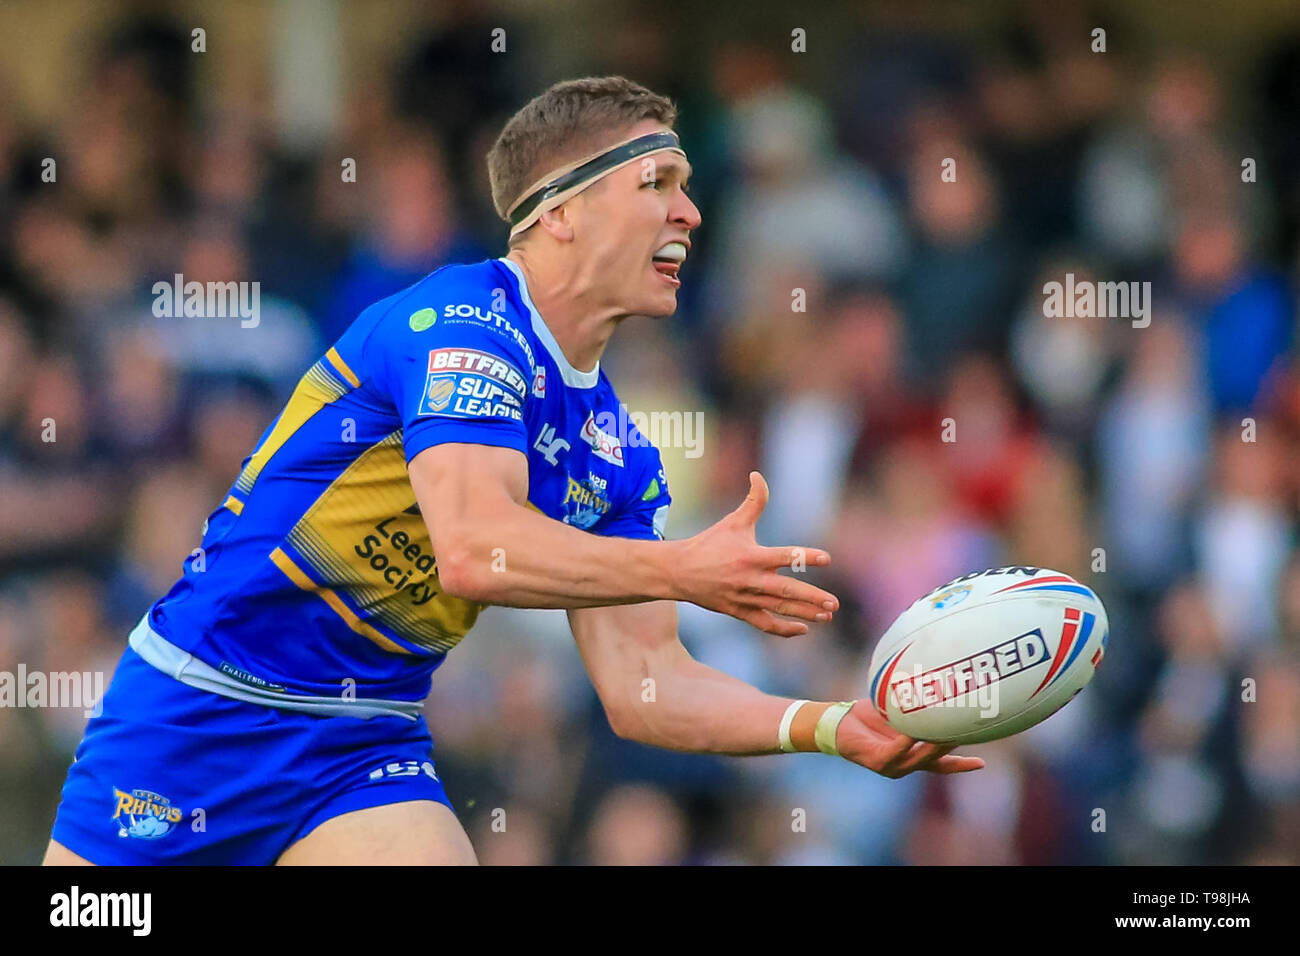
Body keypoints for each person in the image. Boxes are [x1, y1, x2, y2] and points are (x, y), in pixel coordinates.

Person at [44, 76, 982, 866]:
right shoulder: (464, 324)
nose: (692, 212)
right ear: (561, 212)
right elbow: (475, 550)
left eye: (689, 187)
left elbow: (646, 686)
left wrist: (826, 725)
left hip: (358, 742)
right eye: (658, 181)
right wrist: (680, 569)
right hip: (192, 716)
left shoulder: (613, 447)